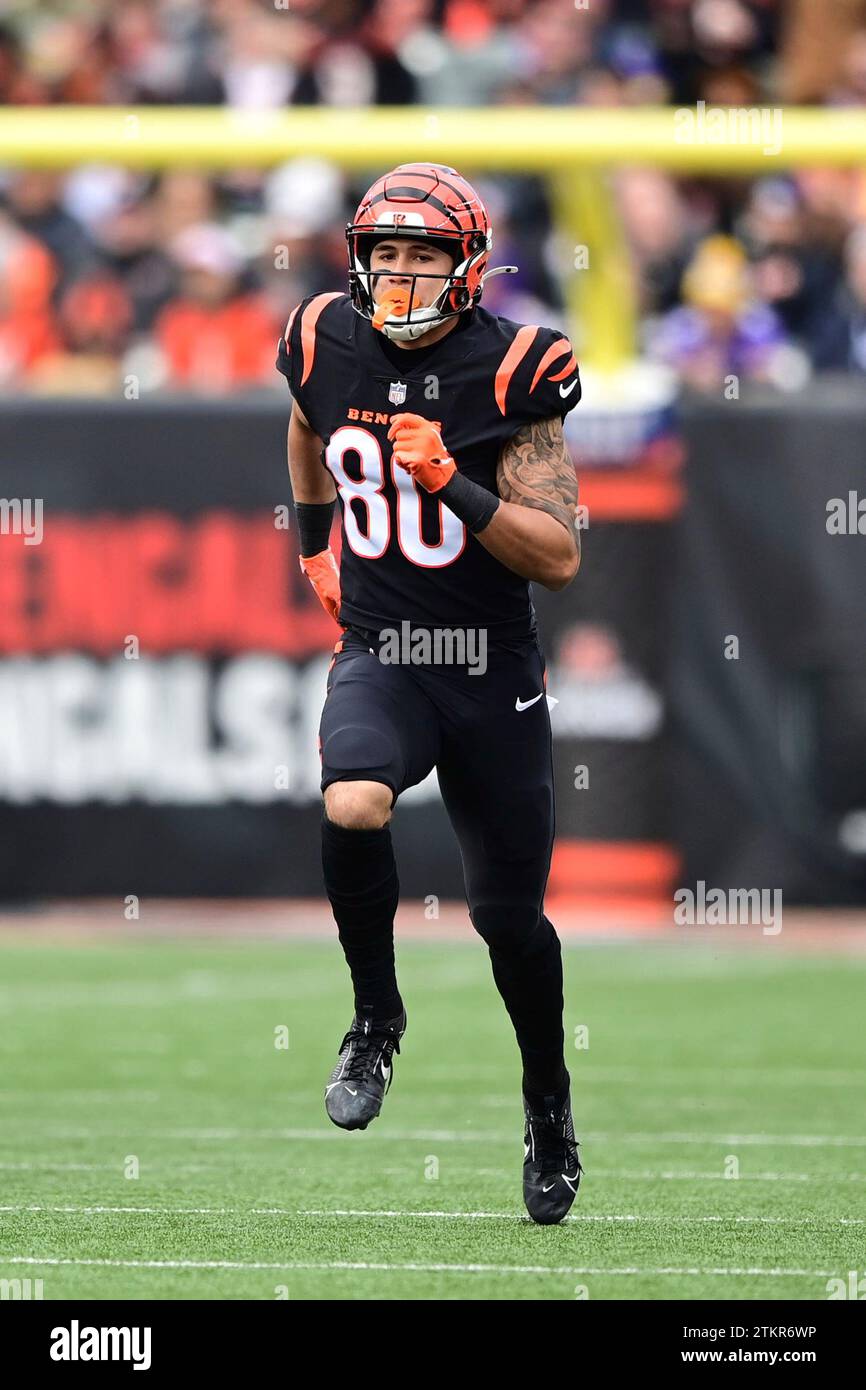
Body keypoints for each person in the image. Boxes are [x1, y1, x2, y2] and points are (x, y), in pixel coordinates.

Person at [276, 162, 583, 1224]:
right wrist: (314, 544)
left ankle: (547, 1103)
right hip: (385, 648)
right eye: (386, 254)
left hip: (487, 663)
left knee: (508, 920)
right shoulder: (319, 334)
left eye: (423, 256)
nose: (399, 275)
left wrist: (450, 478)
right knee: (351, 797)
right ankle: (375, 1017)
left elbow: (556, 557)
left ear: (469, 267)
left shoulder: (514, 368)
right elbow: (309, 426)